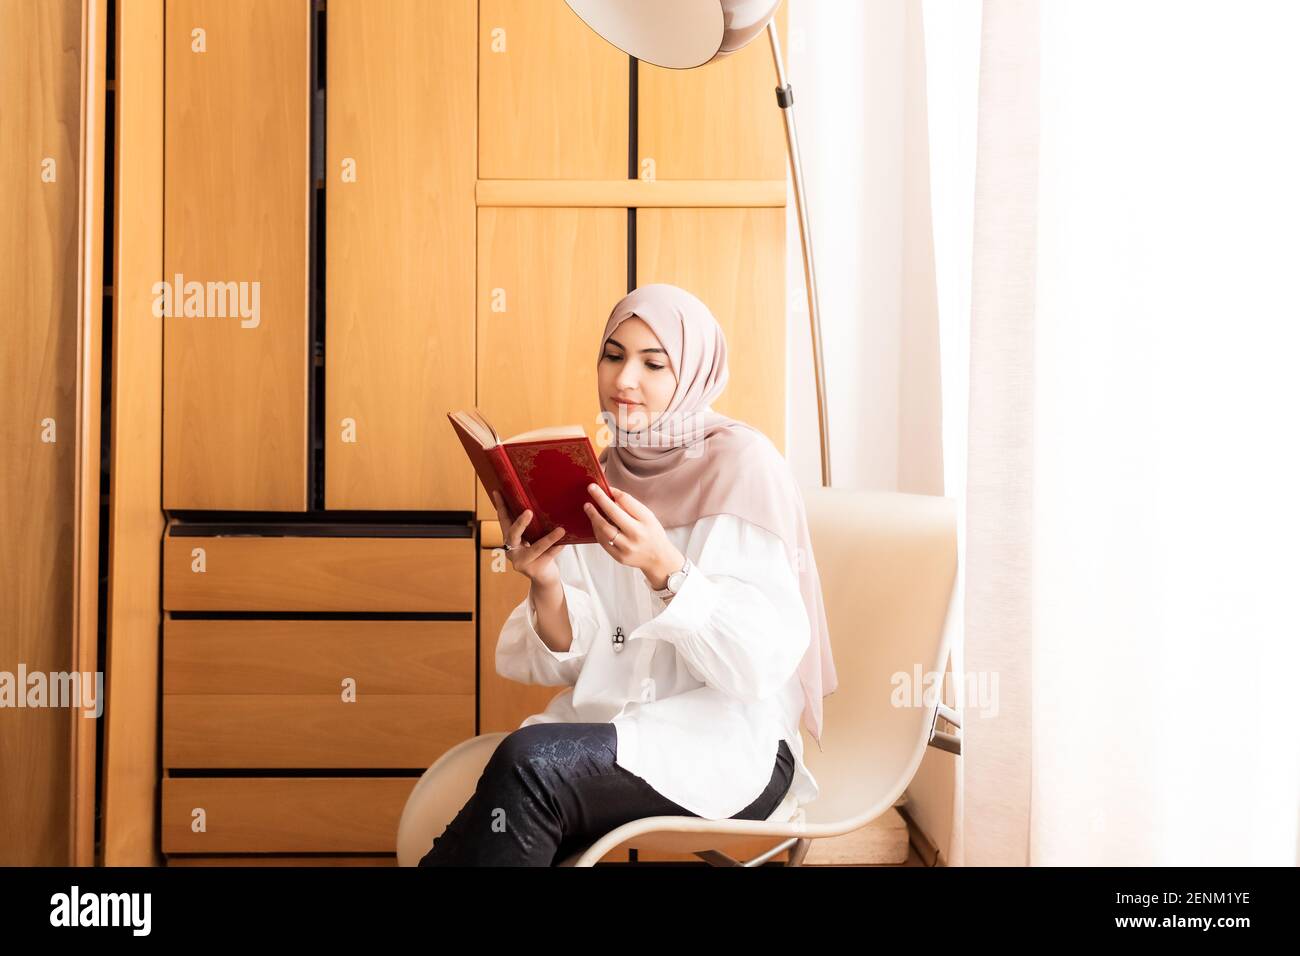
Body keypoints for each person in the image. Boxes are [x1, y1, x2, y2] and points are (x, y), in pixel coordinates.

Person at [419, 283, 837, 866]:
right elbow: (580, 648)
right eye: (612, 356)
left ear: (693, 371)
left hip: (729, 747)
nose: (624, 381)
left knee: (531, 763)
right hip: (619, 730)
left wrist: (664, 567)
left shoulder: (745, 467)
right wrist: (545, 584)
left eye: (652, 363)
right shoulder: (601, 473)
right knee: (508, 787)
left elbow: (759, 665)